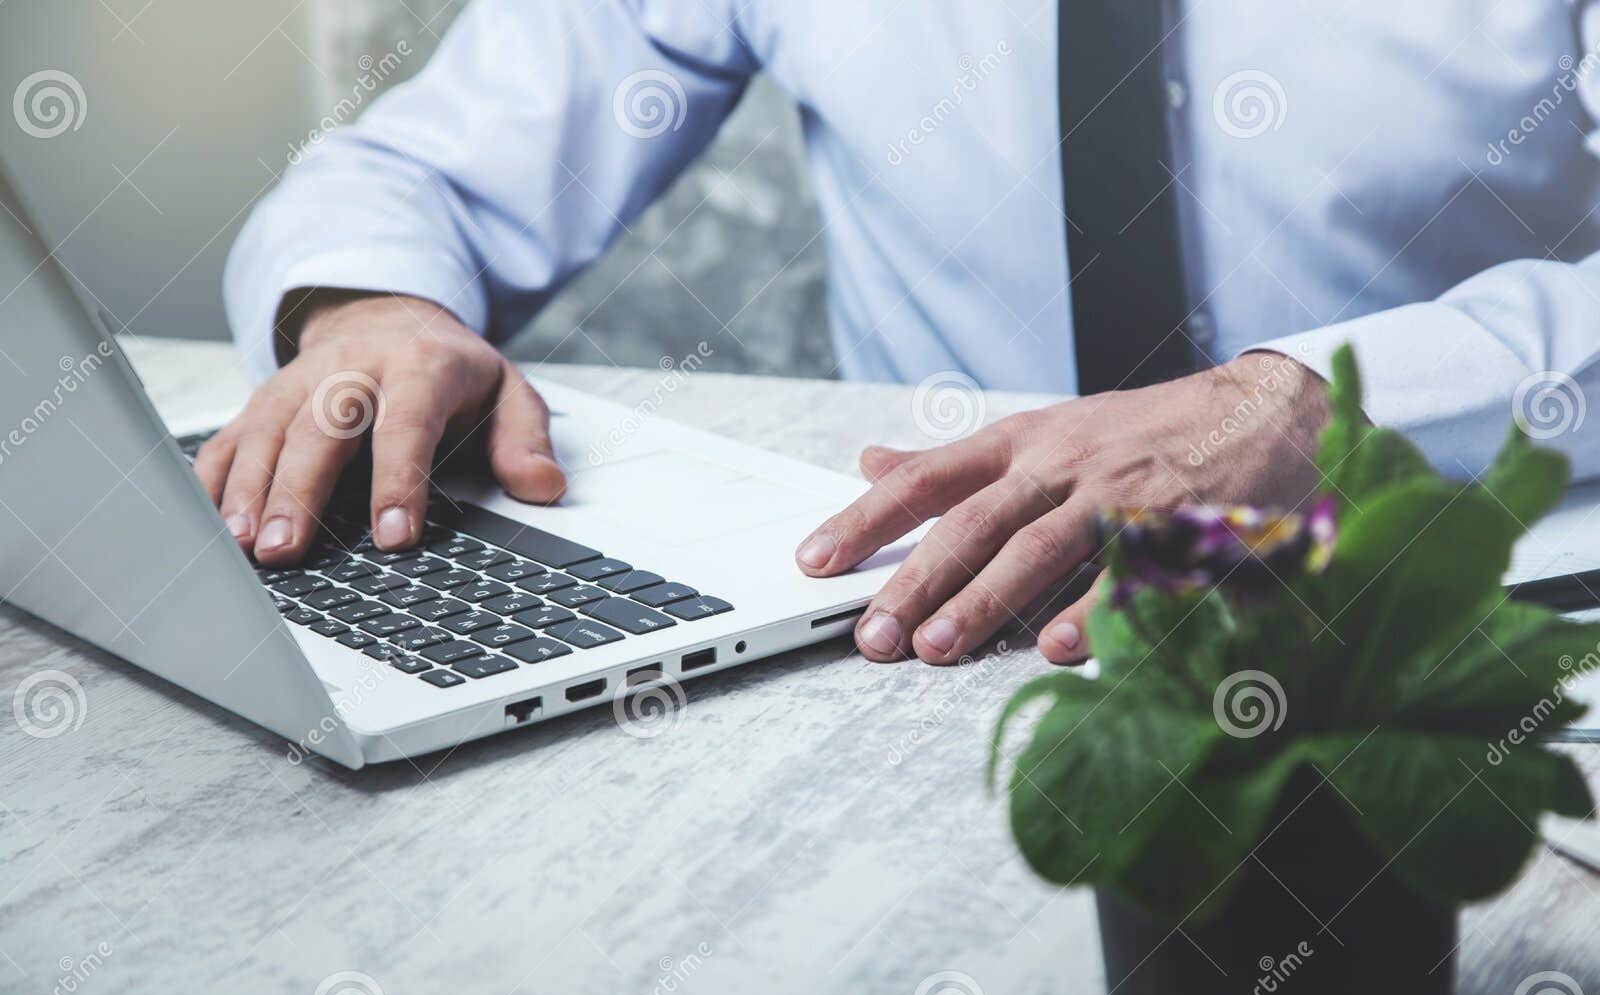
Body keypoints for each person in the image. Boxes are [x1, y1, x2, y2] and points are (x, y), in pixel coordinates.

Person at [210, 0, 1600, 667]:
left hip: (1440, 613)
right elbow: (426, 168)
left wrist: (1318, 402)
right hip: (911, 644)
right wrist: (369, 309)